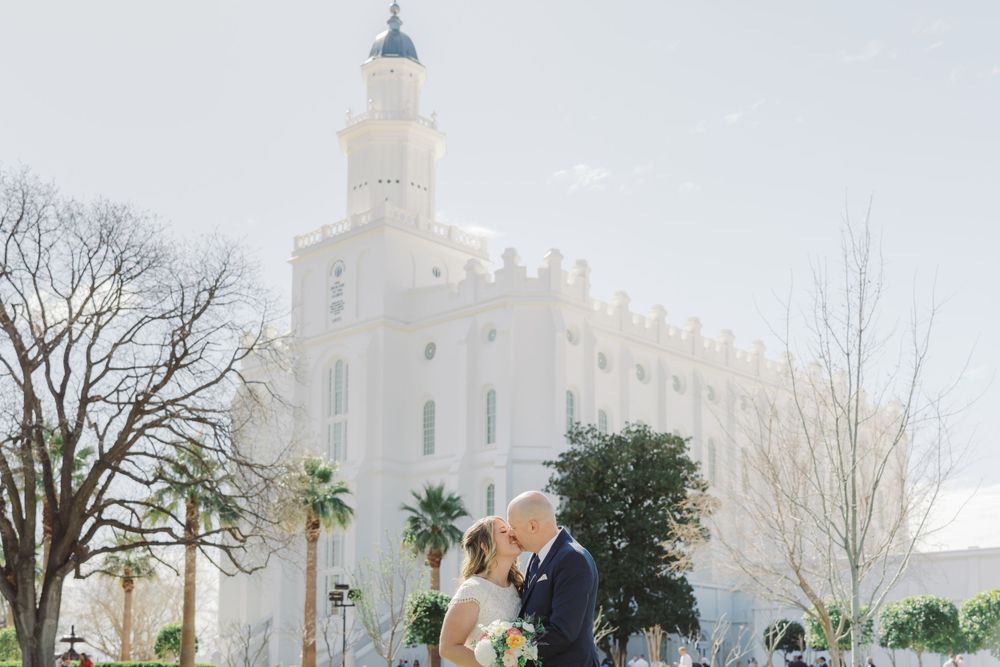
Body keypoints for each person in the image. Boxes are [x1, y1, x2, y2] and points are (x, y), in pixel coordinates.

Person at [507, 490, 601, 667]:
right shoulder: (535, 558)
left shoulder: (572, 558)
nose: (511, 534)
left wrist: (513, 655)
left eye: (513, 527)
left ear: (532, 526)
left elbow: (562, 631)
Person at [439, 515, 524, 667]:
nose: (512, 534)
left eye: (510, 530)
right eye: (503, 531)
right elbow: (448, 648)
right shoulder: (473, 590)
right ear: (485, 546)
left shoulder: (518, 587)